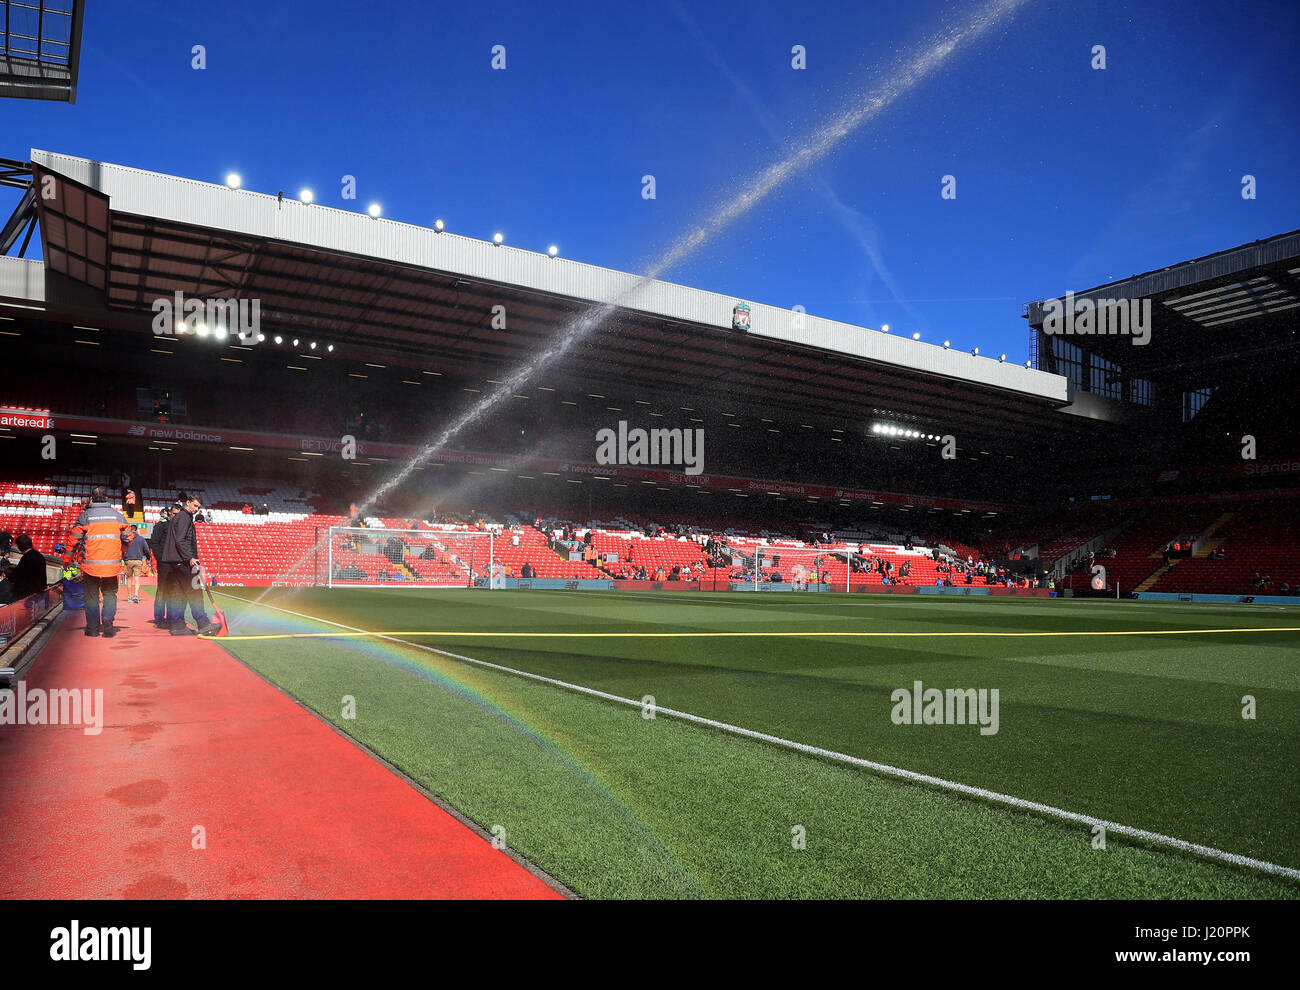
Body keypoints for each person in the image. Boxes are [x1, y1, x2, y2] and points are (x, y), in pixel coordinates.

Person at [69, 486, 132, 638]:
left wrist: (67, 559)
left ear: (91, 499)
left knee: (91, 597)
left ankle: (92, 629)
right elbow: (129, 537)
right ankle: (108, 622)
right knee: (110, 595)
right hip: (111, 566)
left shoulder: (85, 516)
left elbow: (73, 541)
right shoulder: (117, 516)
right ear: (107, 498)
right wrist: (120, 552)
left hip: (91, 566)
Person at [160, 492, 217, 636]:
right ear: (188, 502)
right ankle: (203, 624)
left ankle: (177, 626)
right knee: (195, 592)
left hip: (175, 562)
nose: (196, 509)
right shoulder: (185, 517)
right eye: (195, 505)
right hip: (183, 561)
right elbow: (180, 540)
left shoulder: (179, 517)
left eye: (199, 507)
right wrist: (190, 557)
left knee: (178, 594)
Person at [148, 506, 177, 628]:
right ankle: (159, 619)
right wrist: (161, 558)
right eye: (174, 513)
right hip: (165, 564)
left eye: (178, 514)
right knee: (162, 591)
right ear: (170, 513)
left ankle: (171, 619)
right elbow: (154, 542)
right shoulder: (161, 525)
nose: (176, 516)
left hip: (176, 564)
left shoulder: (180, 526)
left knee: (173, 592)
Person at [9, 534, 47, 599]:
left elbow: (19, 575)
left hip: (28, 593)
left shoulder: (27, 558)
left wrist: (9, 575)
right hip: (39, 590)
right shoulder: (39, 555)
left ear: (20, 546)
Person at [123, 525, 148, 603]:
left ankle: (130, 597)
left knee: (129, 579)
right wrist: (148, 557)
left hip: (128, 560)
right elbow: (146, 549)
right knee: (137, 579)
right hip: (138, 560)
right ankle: (136, 595)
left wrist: (124, 558)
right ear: (137, 530)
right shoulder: (141, 538)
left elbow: (122, 549)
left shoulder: (127, 538)